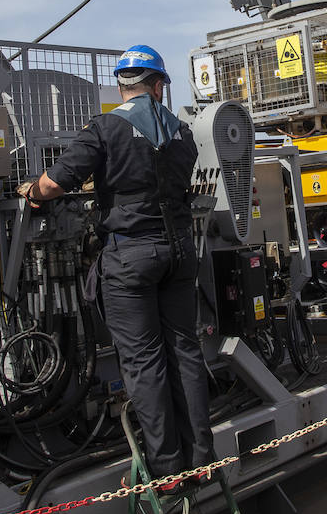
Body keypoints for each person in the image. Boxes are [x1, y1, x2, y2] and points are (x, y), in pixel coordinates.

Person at [20, 45, 214, 485]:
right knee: (184, 350)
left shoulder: (105, 128)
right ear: (158, 85)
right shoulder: (182, 133)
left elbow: (54, 183)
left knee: (145, 363)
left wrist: (31, 190)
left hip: (131, 257)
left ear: (123, 86)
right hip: (180, 253)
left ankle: (166, 472)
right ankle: (202, 460)